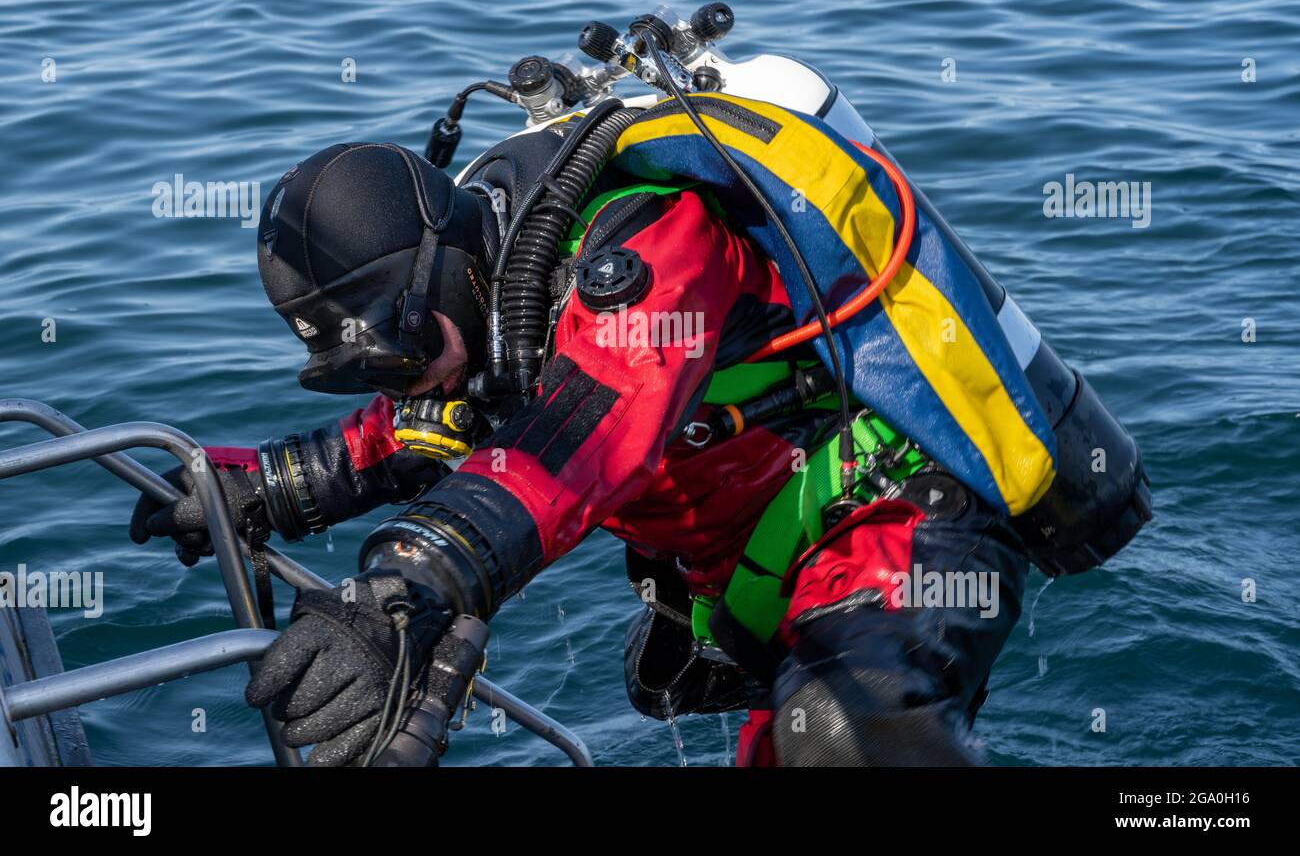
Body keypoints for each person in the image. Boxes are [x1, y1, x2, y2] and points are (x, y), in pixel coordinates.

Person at [126, 122, 1106, 766]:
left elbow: (591, 425)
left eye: (403, 347)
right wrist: (252, 484)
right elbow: (413, 430)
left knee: (843, 742)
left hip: (891, 526)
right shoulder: (492, 327)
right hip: (759, 580)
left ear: (449, 273)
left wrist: (403, 587)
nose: (402, 378)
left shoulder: (650, 242)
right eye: (364, 370)